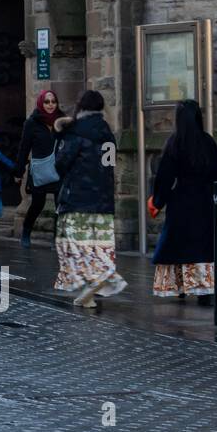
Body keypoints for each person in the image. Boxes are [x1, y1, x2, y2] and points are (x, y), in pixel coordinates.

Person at [53, 90, 127, 308]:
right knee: (99, 247)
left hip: (77, 198)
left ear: (81, 106)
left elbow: (60, 164)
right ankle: (91, 293)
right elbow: (109, 165)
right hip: (103, 201)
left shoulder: (75, 132)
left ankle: (92, 283)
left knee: (77, 246)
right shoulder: (108, 134)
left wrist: (61, 134)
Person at [149, 99, 217, 304]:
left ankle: (179, 286)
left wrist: (157, 201)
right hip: (205, 202)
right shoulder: (208, 142)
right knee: (202, 247)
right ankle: (204, 289)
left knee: (177, 246)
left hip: (181, 202)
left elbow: (164, 178)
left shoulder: (175, 143)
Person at [16, 89, 63, 248]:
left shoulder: (62, 121)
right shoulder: (31, 123)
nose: (50, 105)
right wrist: (19, 171)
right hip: (40, 170)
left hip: (59, 169)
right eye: (47, 102)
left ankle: (56, 239)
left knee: (60, 205)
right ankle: (26, 232)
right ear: (41, 103)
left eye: (53, 101)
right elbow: (24, 148)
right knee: (37, 204)